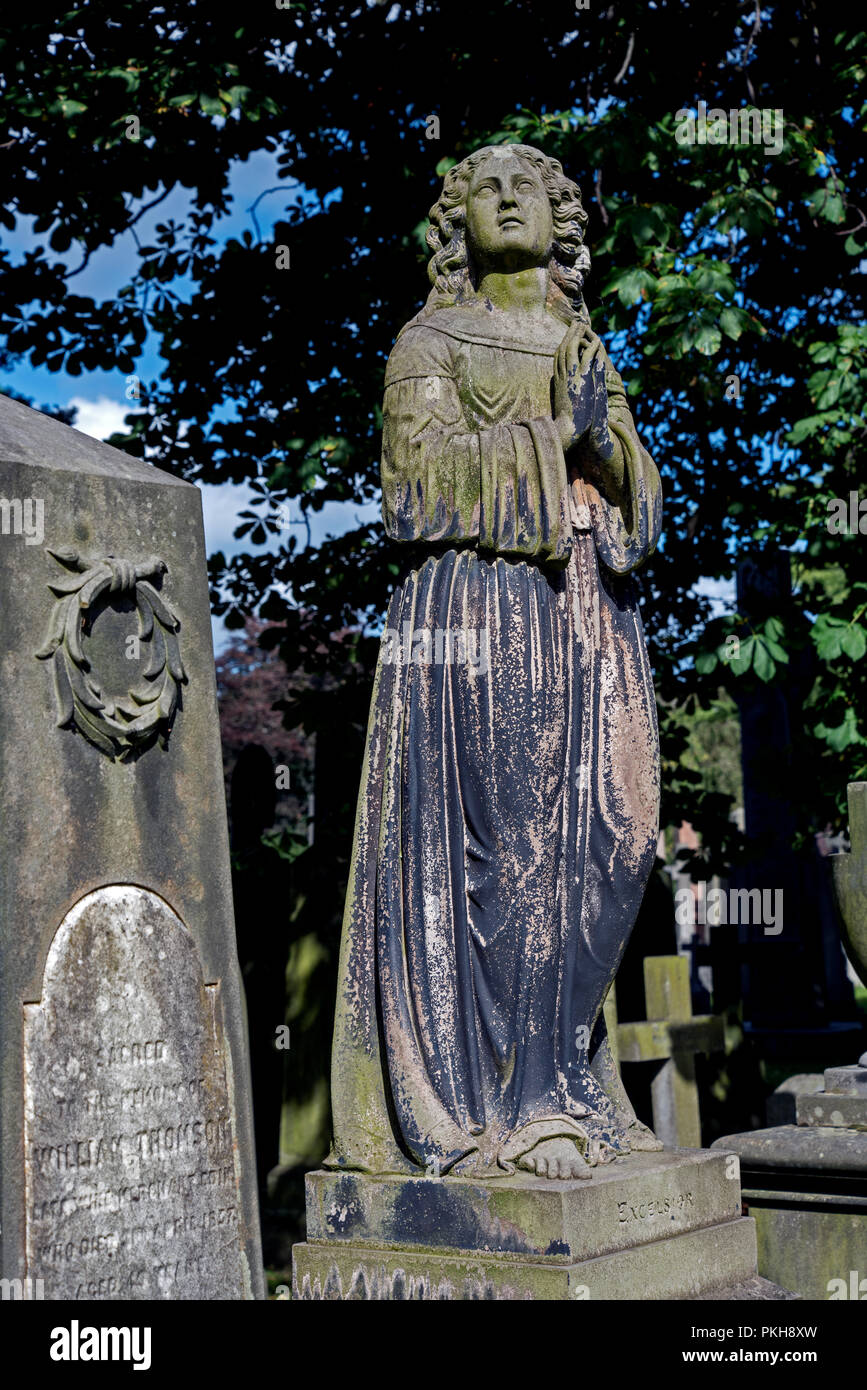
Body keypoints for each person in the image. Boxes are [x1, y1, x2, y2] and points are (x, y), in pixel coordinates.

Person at [326, 144, 663, 1181]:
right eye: (488, 186)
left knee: (623, 835)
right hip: (485, 608)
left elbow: (642, 501)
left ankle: (566, 1076)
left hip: (592, 612)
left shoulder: (583, 340)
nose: (510, 196)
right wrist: (554, 432)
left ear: (563, 222)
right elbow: (413, 489)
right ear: (457, 223)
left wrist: (602, 447)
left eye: (532, 186)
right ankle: (521, 1106)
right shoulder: (429, 342)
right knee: (515, 847)